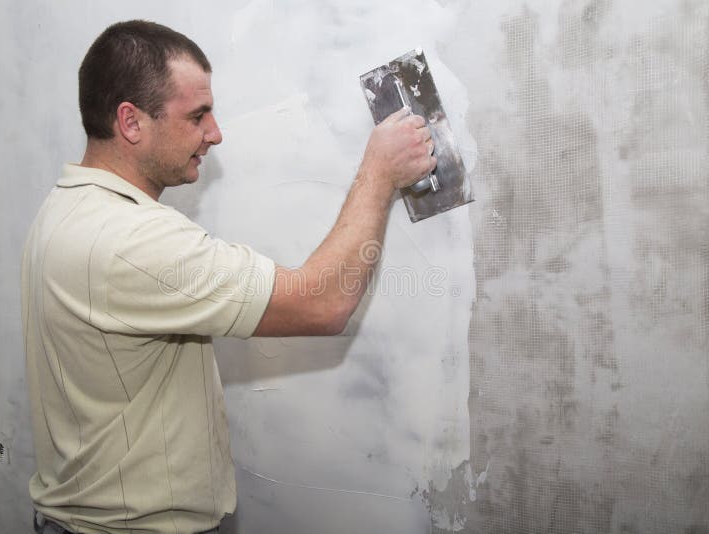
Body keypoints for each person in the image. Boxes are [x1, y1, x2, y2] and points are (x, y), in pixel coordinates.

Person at [22, 19, 435, 534]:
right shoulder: (130, 242)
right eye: (198, 116)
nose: (215, 133)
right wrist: (379, 173)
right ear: (131, 122)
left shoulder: (63, 208)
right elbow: (323, 303)